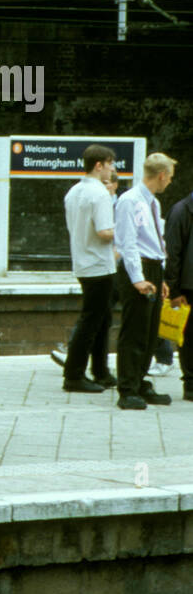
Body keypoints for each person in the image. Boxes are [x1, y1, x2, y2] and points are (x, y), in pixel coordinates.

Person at [114, 153, 177, 410]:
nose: (170, 182)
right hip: (137, 268)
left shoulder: (152, 202)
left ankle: (139, 382)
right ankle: (127, 388)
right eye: (170, 177)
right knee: (134, 331)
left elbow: (153, 240)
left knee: (150, 331)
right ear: (161, 175)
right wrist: (138, 278)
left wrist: (159, 274)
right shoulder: (129, 201)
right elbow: (128, 242)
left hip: (152, 267)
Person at [61, 145, 117, 393]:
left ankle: (100, 371)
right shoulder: (101, 194)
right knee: (92, 319)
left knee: (101, 318)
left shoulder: (73, 192)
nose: (112, 169)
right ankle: (74, 375)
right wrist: (126, 231)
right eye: (111, 164)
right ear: (99, 165)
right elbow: (105, 232)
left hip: (83, 261)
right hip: (100, 264)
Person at [164, 176, 193, 402]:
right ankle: (191, 384)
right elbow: (172, 253)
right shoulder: (181, 211)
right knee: (189, 336)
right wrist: (174, 290)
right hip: (188, 286)